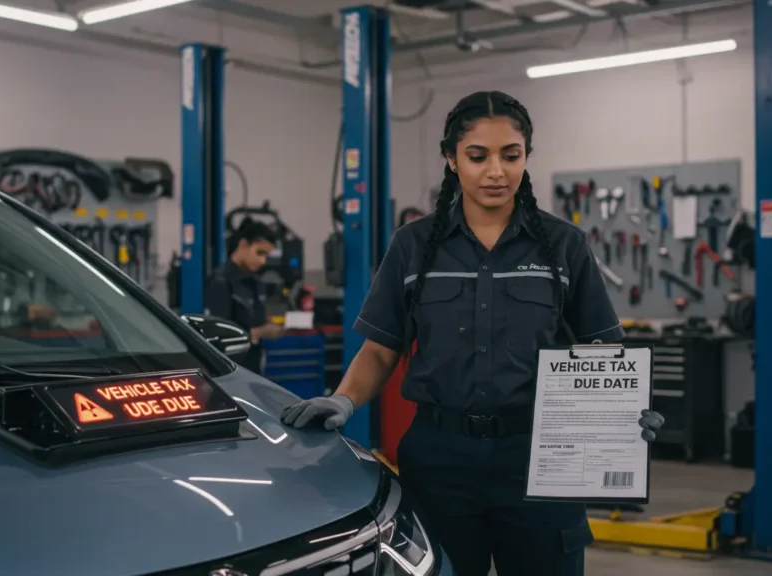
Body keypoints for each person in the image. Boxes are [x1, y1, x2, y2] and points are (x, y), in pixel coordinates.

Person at [279, 91, 665, 575]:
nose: (496, 172)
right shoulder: (413, 246)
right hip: (440, 461)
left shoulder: (564, 245)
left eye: (511, 155)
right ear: (451, 159)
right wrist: (344, 400)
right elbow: (380, 349)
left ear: (526, 157)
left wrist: (624, 412)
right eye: (478, 156)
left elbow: (603, 349)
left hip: (543, 456)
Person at [205, 218, 285, 373]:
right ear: (243, 245)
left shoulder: (255, 283)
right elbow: (217, 337)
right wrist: (258, 333)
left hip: (253, 368)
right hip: (231, 372)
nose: (263, 261)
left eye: (266, 256)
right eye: (259, 253)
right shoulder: (221, 282)